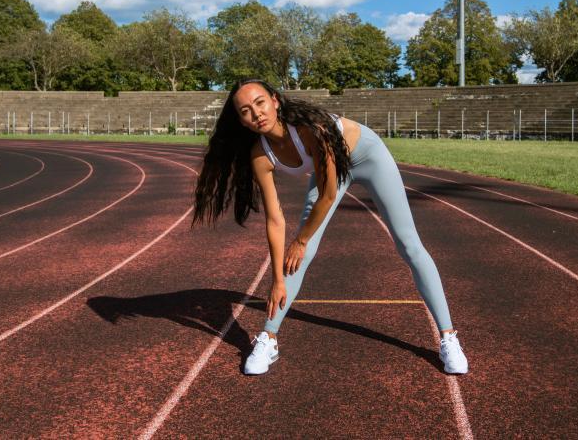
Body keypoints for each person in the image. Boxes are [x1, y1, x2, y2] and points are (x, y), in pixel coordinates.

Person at [193, 79, 468, 376]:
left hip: (367, 156)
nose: (256, 113)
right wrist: (276, 280)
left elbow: (327, 195)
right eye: (246, 110)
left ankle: (448, 337)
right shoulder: (260, 155)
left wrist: (300, 239)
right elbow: (275, 220)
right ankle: (268, 338)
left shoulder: (312, 128)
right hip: (330, 174)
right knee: (300, 255)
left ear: (275, 100)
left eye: (260, 103)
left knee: (408, 244)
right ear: (241, 121)